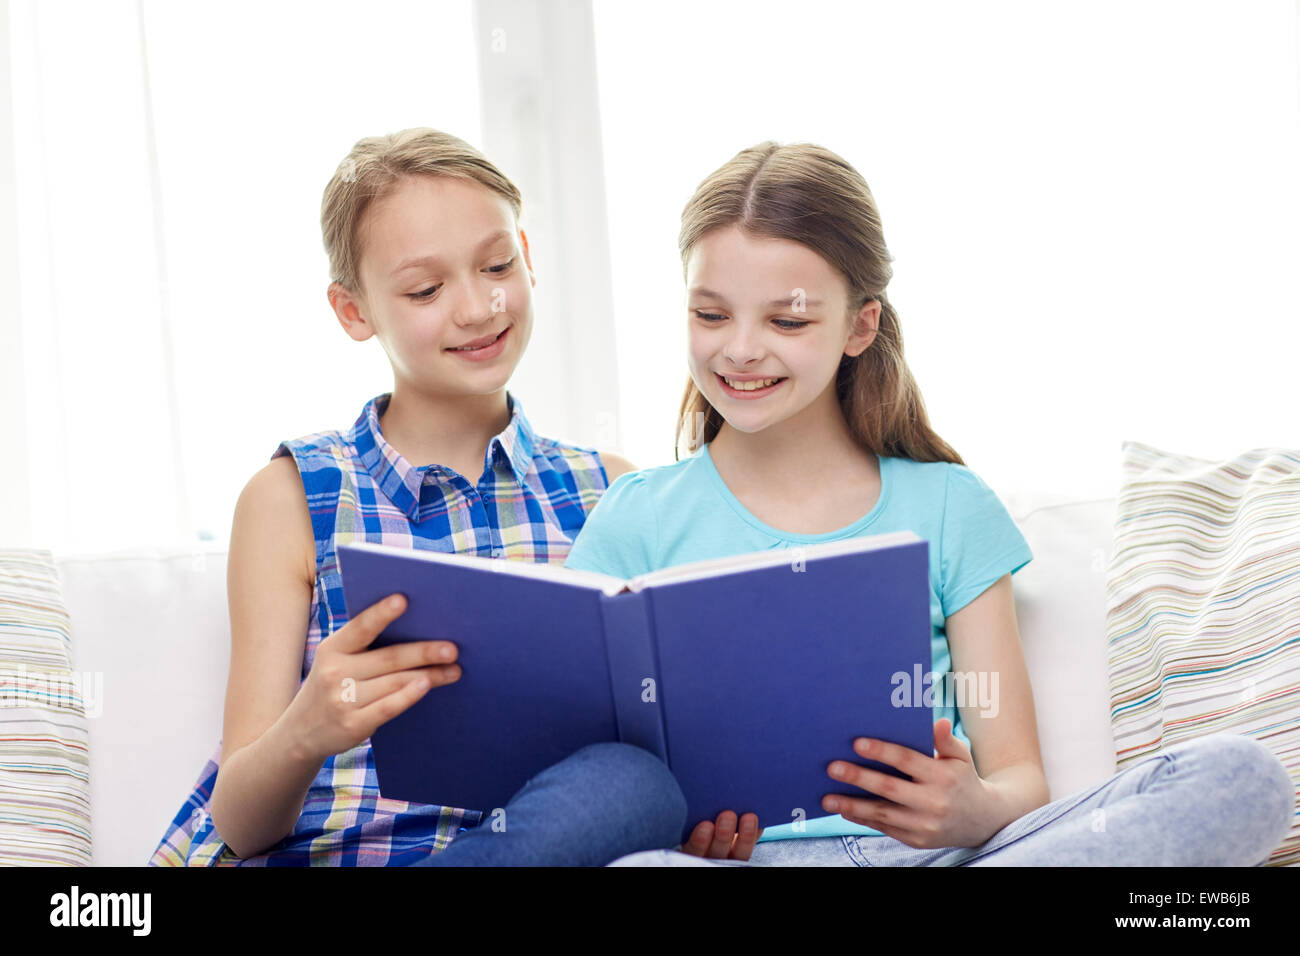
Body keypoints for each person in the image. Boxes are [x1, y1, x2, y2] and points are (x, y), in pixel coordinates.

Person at [563, 141, 1295, 867]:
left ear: (861, 326)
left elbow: (1019, 779)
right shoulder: (636, 517)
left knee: (1240, 775)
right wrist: (671, 833)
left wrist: (974, 808)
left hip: (936, 858)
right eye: (711, 315)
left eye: (787, 321)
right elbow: (581, 778)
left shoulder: (947, 504)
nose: (742, 349)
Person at [148, 128, 685, 866]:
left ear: (527, 256)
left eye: (496, 265)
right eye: (426, 290)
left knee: (639, 785)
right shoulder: (294, 496)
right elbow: (240, 824)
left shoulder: (610, 490)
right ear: (354, 311)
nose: (477, 307)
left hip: (536, 851)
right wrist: (308, 728)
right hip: (333, 854)